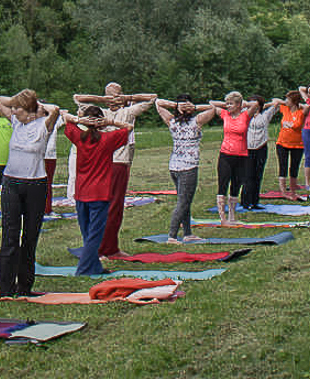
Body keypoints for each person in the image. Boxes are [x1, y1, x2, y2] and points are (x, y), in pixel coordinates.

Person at [0, 89, 61, 297]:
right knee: (10, 236)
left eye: (20, 109)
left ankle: (25, 286)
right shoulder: (16, 122)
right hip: (12, 184)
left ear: (31, 111)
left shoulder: (43, 125)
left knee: (30, 237)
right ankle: (6, 289)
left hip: (36, 185)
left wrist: (37, 106)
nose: (15, 112)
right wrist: (18, 100)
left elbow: (55, 110)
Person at [73, 83, 157, 258]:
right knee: (104, 207)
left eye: (116, 95)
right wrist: (101, 100)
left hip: (120, 163)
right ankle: (101, 249)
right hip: (106, 164)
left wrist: (128, 98)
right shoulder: (98, 112)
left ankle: (110, 246)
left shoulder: (127, 111)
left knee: (116, 208)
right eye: (109, 96)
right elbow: (77, 98)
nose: (113, 99)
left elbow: (152, 98)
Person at [64, 105, 133, 275]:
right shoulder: (108, 139)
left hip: (81, 192)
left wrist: (79, 120)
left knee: (88, 234)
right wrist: (110, 121)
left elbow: (65, 117)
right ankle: (85, 269)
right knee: (94, 235)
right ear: (101, 123)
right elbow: (129, 127)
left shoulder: (79, 137)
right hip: (100, 193)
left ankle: (94, 266)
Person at [156, 95, 219, 241]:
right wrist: (194, 107)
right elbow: (214, 107)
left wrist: (176, 105)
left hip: (174, 167)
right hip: (188, 167)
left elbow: (158, 104)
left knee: (184, 201)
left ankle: (188, 234)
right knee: (183, 203)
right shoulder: (196, 121)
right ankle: (172, 236)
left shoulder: (172, 121)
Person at [210, 92, 262, 226]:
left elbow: (256, 104)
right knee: (223, 185)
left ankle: (232, 216)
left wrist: (242, 104)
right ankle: (223, 218)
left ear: (239, 104)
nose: (228, 106)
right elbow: (211, 104)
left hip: (241, 156)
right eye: (227, 104)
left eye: (231, 103)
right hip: (225, 155)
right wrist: (227, 104)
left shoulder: (245, 115)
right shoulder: (225, 114)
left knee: (236, 186)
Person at [242, 95, 283, 208]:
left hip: (261, 148)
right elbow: (241, 103)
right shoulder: (244, 114)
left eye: (256, 105)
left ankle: (255, 201)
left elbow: (278, 102)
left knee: (257, 176)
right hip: (248, 149)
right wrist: (251, 105)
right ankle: (245, 202)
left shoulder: (265, 115)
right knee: (248, 176)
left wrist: (265, 105)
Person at [274, 90, 307, 193]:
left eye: (288, 99)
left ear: (294, 101)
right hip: (282, 143)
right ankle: (283, 191)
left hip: (297, 145)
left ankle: (293, 189)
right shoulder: (285, 109)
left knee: (294, 167)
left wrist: (296, 103)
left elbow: (308, 106)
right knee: (282, 166)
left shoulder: (301, 112)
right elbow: (275, 101)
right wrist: (285, 102)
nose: (285, 101)